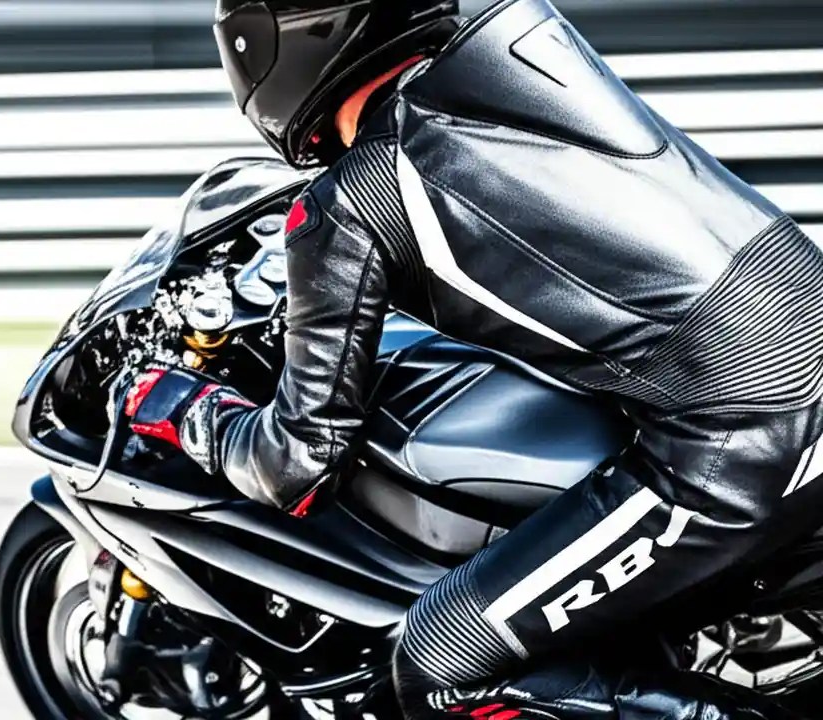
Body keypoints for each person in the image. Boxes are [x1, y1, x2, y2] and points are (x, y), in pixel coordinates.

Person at [121, 0, 823, 717]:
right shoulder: (526, 46)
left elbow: (297, 465)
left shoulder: (350, 205)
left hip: (745, 435)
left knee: (441, 665)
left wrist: (182, 408)